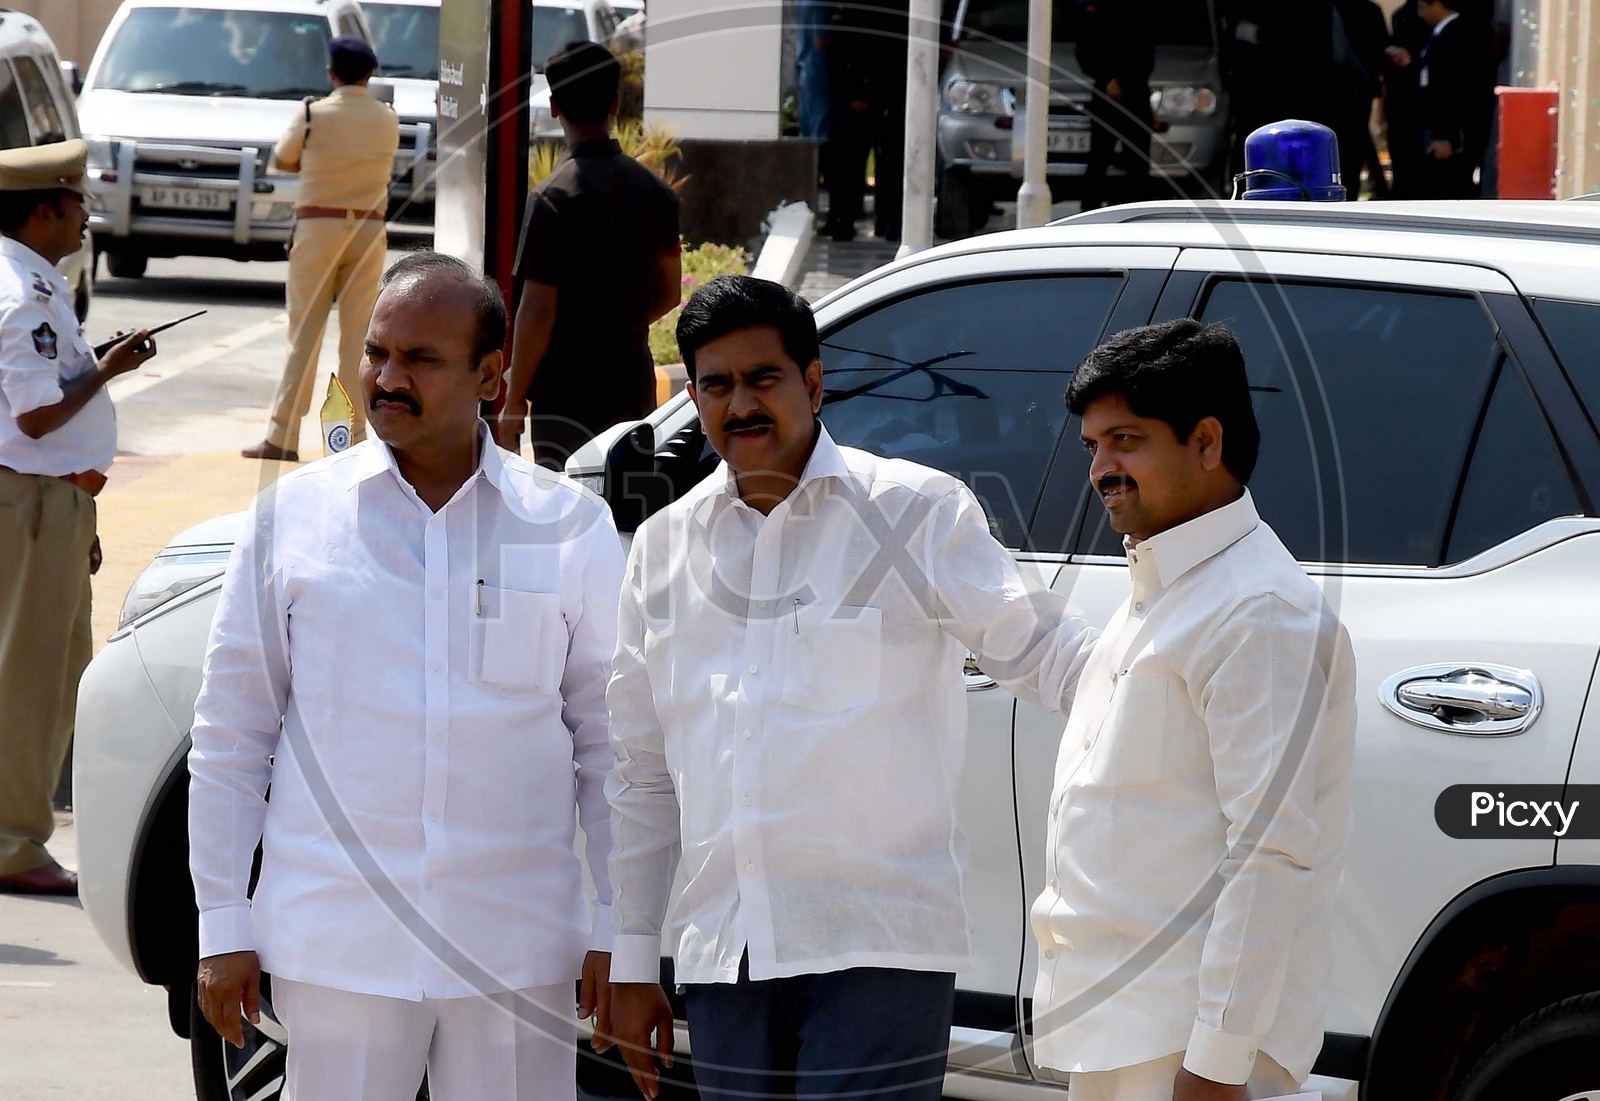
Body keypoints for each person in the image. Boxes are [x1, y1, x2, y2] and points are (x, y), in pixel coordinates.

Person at [602, 275, 1100, 1101]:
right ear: (692, 397)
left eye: (764, 378)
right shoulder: (662, 550)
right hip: (726, 956)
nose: (742, 404)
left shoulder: (915, 513)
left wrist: (1172, 689)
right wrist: (629, 956)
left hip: (877, 948)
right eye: (717, 385)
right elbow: (642, 769)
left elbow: (1046, 651)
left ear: (815, 381)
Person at [189, 253, 624, 1100]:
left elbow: (612, 746)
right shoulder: (292, 521)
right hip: (339, 942)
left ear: (491, 375)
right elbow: (232, 734)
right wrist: (221, 923)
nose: (387, 378)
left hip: (514, 948)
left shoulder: (566, 526)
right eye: (376, 354)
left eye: (420, 359)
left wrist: (619, 925)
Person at [1029, 320, 1356, 1101]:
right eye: (1092, 446)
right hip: (1129, 1027)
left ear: (1206, 442)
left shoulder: (1257, 610)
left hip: (1185, 1048)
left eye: (1126, 441)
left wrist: (1214, 1063)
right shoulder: (1169, 585)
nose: (1102, 469)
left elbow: (1268, 853)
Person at [0, 140, 156, 896]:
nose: (85, 218)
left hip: (50, 503)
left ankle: (17, 830)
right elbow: (34, 418)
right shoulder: (20, 292)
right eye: (75, 204)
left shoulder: (35, 280)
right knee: (29, 681)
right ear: (41, 212)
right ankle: (11, 843)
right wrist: (110, 368)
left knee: (53, 673)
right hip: (30, 502)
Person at [498, 40, 682, 472]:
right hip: (630, 384)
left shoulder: (552, 198)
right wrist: (622, 326)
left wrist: (514, 400)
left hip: (563, 395)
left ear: (554, 106)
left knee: (562, 514)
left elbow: (538, 309)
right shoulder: (657, 195)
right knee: (621, 512)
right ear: (616, 104)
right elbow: (670, 293)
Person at [242, 36, 399, 463]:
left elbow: (283, 158)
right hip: (368, 230)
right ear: (371, 74)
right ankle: (349, 439)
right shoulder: (388, 118)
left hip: (317, 225)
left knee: (304, 335)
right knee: (358, 341)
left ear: (331, 72)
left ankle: (283, 434)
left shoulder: (313, 113)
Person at [1405, 0, 1494, 199]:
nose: (1420, 15)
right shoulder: (1441, 33)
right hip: (1436, 128)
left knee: (1450, 188)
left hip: (1451, 134)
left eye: (1423, 8)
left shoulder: (1458, 35)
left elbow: (1454, 91)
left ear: (1437, 4)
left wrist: (1446, 137)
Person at [1075, 0, 1155, 211]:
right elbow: (1087, 52)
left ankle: (1135, 206)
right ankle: (1090, 207)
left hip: (1135, 92)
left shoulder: (1139, 17)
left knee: (1137, 159)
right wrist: (1107, 78)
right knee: (1100, 156)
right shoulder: (1098, 16)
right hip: (1107, 95)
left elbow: (1144, 55)